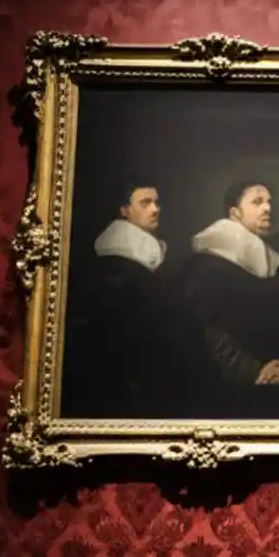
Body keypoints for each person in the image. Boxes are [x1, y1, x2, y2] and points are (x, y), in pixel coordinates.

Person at [176, 181, 279, 416]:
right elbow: (208, 331)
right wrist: (254, 372)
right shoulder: (206, 265)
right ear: (234, 213)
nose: (267, 208)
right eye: (257, 202)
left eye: (269, 201)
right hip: (234, 387)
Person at [61, 179, 180, 418]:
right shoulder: (116, 256)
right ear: (125, 211)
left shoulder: (149, 249)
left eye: (156, 202)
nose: (155, 209)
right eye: (145, 203)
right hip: (124, 367)